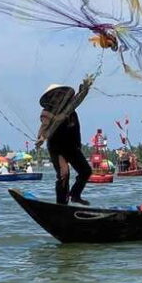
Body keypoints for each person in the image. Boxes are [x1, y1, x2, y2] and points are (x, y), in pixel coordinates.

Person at [36, 75, 94, 205]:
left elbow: (80, 97)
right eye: (55, 96)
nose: (58, 98)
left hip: (71, 146)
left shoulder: (70, 107)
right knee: (64, 174)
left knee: (86, 171)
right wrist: (41, 138)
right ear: (50, 99)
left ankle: (75, 195)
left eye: (60, 95)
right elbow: (44, 127)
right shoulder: (47, 113)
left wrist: (85, 87)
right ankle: (61, 204)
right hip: (57, 149)